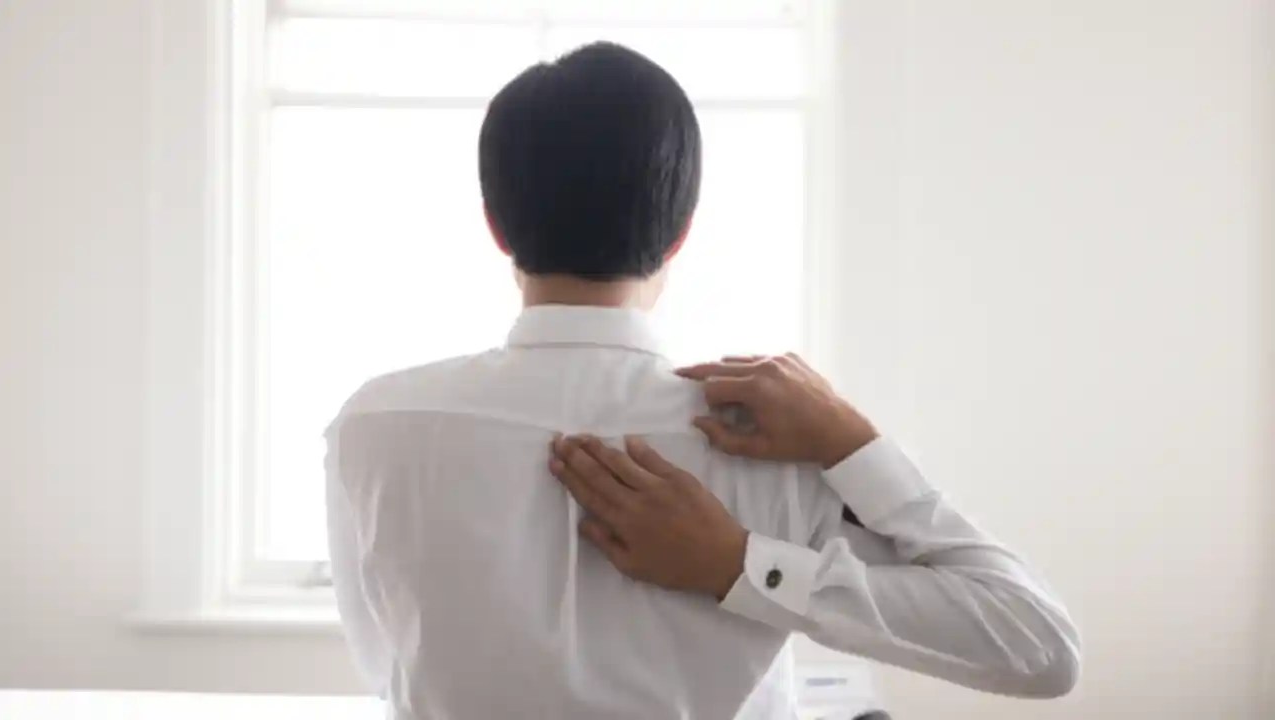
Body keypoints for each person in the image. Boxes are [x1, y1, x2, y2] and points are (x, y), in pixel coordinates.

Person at [325, 42, 1080, 720]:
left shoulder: (374, 424)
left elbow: (386, 667)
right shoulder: (772, 438)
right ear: (682, 229)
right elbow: (1038, 647)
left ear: (495, 226)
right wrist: (819, 483)